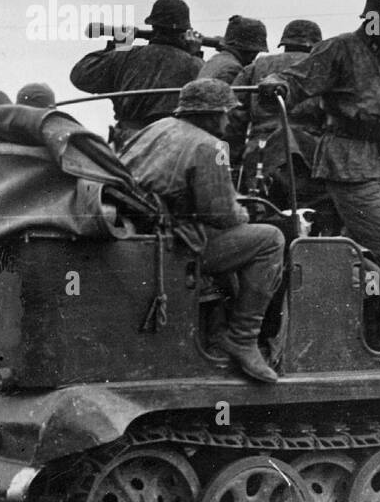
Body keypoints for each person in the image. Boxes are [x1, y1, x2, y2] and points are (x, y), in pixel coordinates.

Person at [261, 0, 380, 355]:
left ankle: (368, 328)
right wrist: (277, 85)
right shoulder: (338, 49)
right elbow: (297, 80)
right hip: (346, 163)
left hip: (378, 160)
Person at [119, 78, 284, 383]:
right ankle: (243, 337)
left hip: (146, 233)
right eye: (226, 113)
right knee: (270, 239)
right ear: (211, 114)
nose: (228, 119)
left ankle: (218, 329)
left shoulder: (154, 129)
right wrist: (244, 211)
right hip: (178, 243)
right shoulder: (211, 146)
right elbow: (222, 216)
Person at [69, 0, 201, 148]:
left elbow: (81, 76)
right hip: (172, 143)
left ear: (153, 26)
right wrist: (194, 54)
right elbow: (205, 89)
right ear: (184, 31)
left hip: (127, 142)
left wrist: (116, 48)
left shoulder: (124, 56)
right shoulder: (193, 64)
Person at [231, 19, 329, 217]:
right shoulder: (322, 67)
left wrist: (231, 160)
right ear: (316, 45)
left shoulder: (257, 66)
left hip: (261, 153)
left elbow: (234, 115)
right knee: (313, 216)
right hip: (311, 154)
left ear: (284, 42)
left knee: (261, 212)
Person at [198, 15, 267, 85]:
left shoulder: (214, 60)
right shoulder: (233, 69)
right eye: (256, 51)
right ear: (250, 51)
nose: (255, 56)